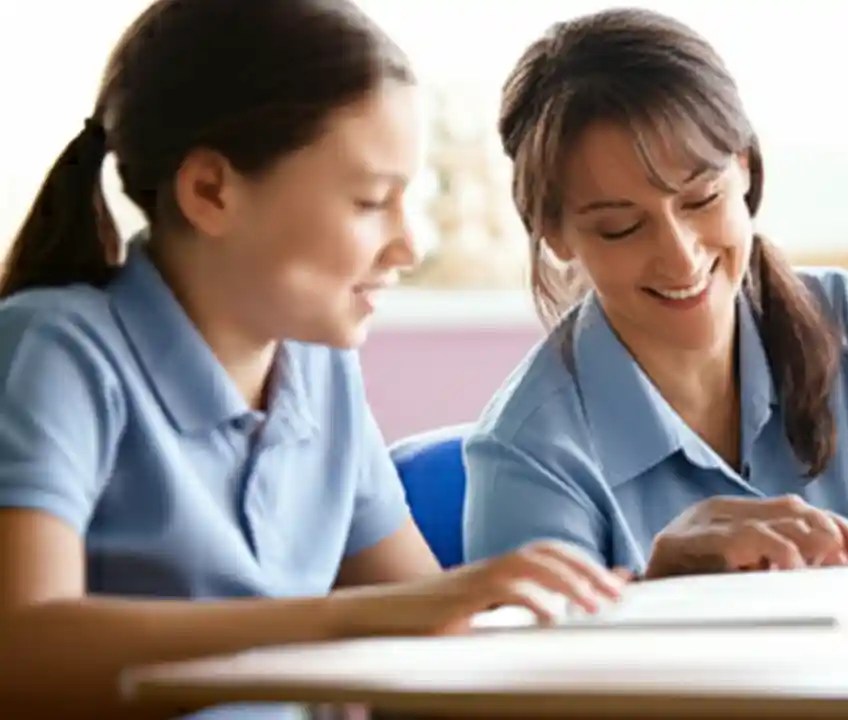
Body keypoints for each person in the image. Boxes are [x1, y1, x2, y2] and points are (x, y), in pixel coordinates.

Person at [0, 2, 623, 718]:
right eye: (369, 201)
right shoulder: (58, 352)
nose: (408, 247)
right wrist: (338, 623)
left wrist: (641, 587)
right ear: (211, 191)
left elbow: (423, 619)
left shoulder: (318, 373)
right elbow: (19, 647)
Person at [463, 7, 848, 579]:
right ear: (557, 234)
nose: (681, 255)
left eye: (701, 199)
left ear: (743, 169)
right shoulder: (526, 454)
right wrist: (660, 593)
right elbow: (545, 671)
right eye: (621, 227)